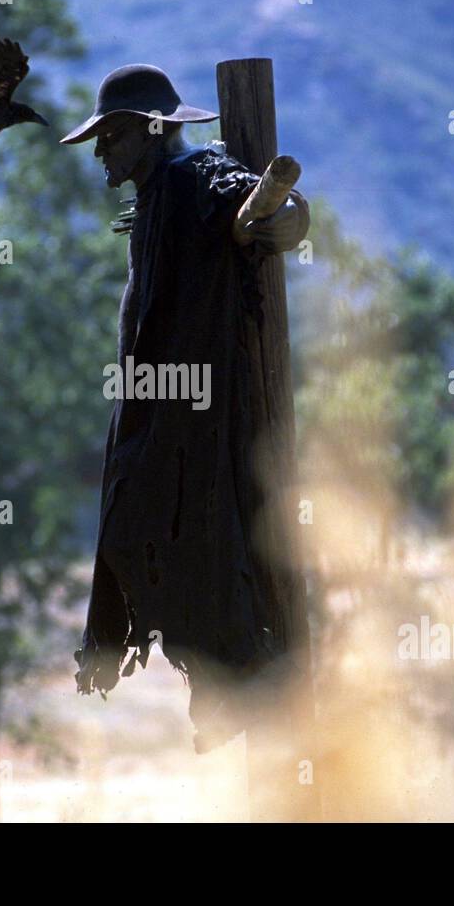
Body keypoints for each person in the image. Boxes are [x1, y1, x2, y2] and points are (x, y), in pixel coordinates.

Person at [60, 64, 311, 750]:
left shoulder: (196, 175)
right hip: (152, 408)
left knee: (184, 534)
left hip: (194, 412)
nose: (101, 152)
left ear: (147, 131)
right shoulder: (154, 199)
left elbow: (267, 214)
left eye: (110, 137)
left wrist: (273, 209)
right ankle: (228, 684)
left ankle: (241, 681)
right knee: (133, 534)